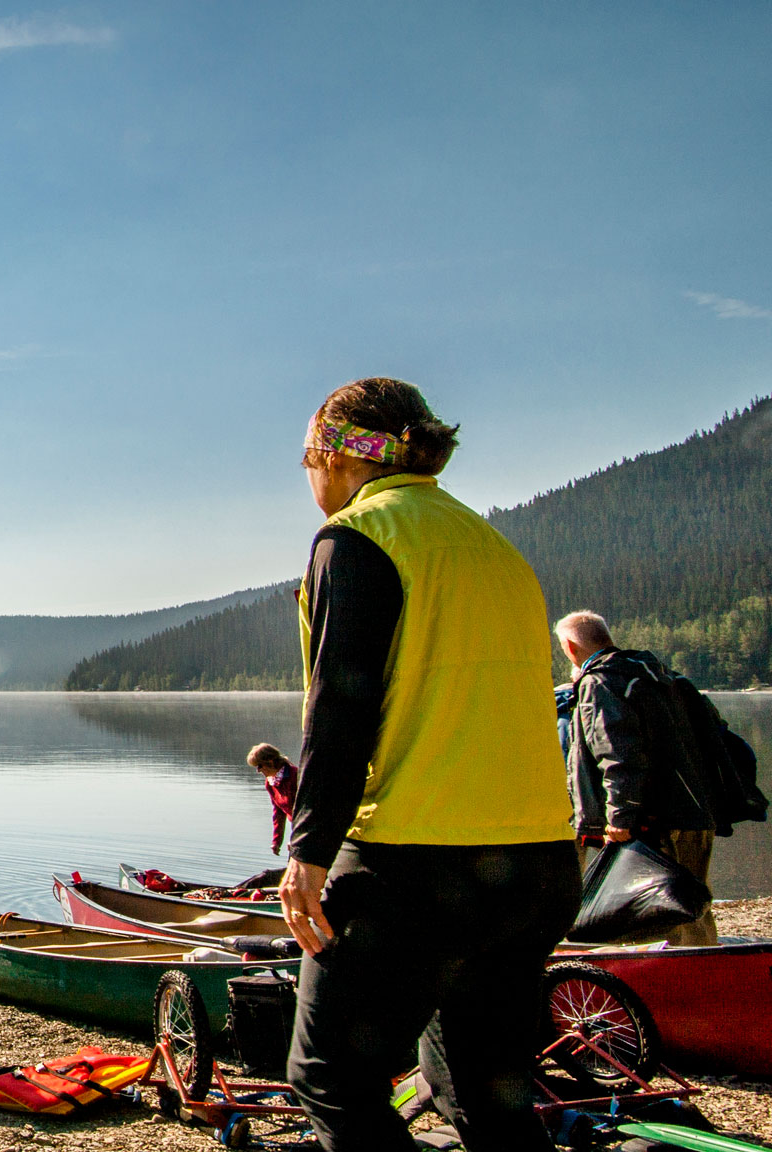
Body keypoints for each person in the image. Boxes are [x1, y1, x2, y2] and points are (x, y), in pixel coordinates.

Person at [279, 378, 579, 1152]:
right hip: (538, 863)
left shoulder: (358, 538)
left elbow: (342, 711)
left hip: (417, 864)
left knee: (330, 1079)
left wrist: (309, 853)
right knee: (482, 1085)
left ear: (335, 455)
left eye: (305, 457)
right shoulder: (490, 545)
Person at [555, 610, 720, 946]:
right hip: (696, 813)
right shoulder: (658, 675)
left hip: (654, 820)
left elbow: (618, 754)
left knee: (659, 912)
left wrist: (620, 816)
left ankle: (668, 988)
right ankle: (710, 982)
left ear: (571, 648)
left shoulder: (599, 681)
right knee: (692, 908)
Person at [247, 743, 299, 856]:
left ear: (270, 762)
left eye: (259, 766)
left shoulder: (296, 776)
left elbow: (305, 811)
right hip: (298, 829)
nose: (258, 771)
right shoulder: (271, 783)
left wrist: (297, 839)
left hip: (312, 829)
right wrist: (276, 841)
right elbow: (278, 812)